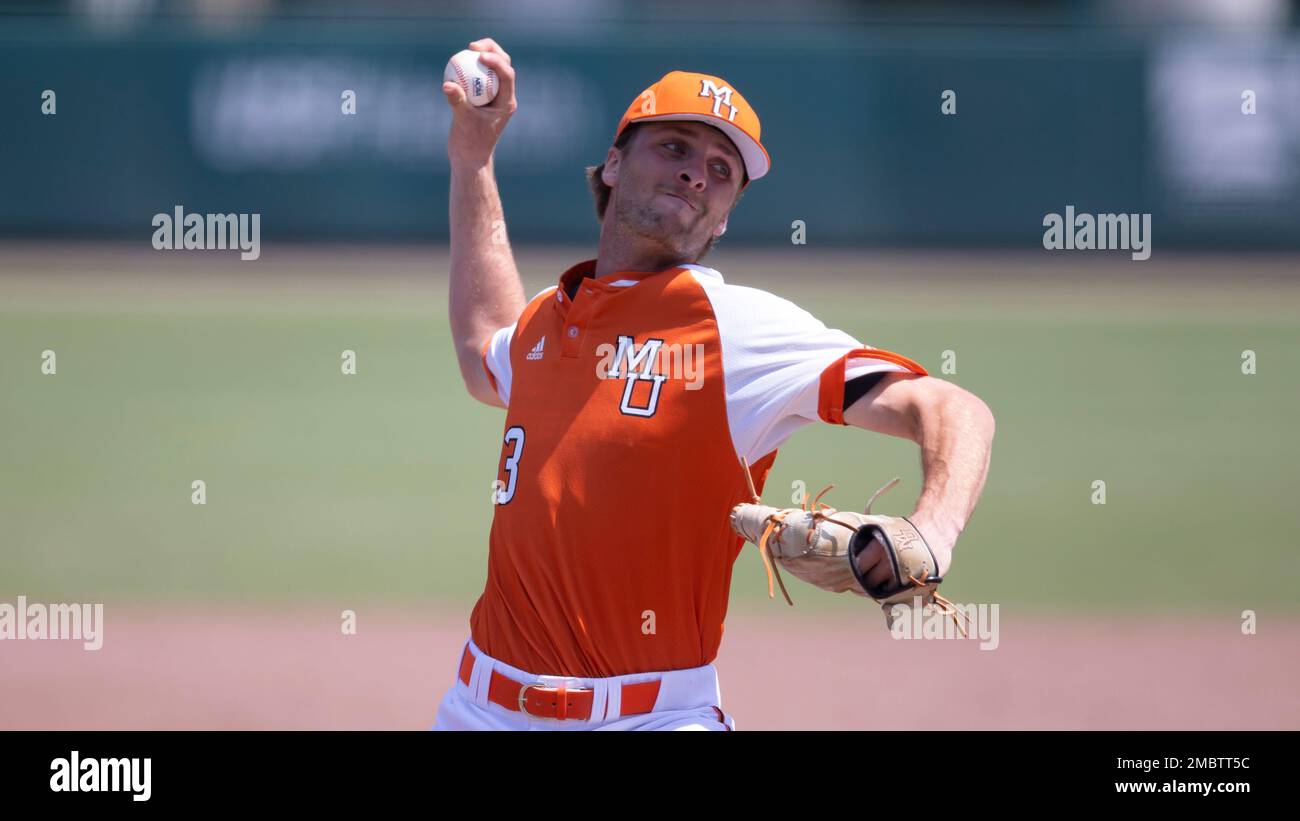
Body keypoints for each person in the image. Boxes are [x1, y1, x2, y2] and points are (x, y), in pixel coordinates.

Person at [433, 38, 996, 730]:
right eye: (674, 147)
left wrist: (933, 529)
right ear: (613, 164)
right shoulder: (552, 318)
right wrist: (473, 157)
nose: (698, 173)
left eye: (721, 169)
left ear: (724, 216)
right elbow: (480, 346)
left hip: (652, 717)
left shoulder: (733, 324)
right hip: (477, 708)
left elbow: (950, 405)